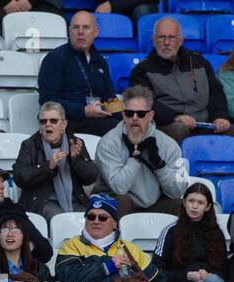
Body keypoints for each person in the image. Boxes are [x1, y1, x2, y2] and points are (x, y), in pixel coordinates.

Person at [54, 193, 165, 282]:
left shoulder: (129, 248)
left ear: (114, 224)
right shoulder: (71, 245)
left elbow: (157, 281)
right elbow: (66, 278)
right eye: (91, 216)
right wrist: (108, 266)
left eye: (102, 218)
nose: (96, 221)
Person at [129, 17, 233, 144]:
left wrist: (220, 117)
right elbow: (144, 103)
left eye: (171, 37)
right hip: (169, 124)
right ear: (153, 40)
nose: (166, 42)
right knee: (180, 128)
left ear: (180, 40)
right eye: (161, 37)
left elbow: (216, 92)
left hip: (205, 123)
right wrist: (175, 116)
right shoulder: (142, 70)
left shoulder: (200, 62)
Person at [94, 87, 186, 217]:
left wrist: (159, 165)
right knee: (121, 201)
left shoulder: (169, 144)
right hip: (119, 204)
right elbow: (119, 189)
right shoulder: (108, 143)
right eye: (130, 113)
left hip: (155, 204)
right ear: (123, 115)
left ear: (150, 115)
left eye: (141, 114)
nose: (135, 118)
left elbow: (178, 190)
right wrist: (135, 158)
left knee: (181, 205)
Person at [36, 14, 119, 138]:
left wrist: (126, 113)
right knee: (115, 128)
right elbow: (48, 101)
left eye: (86, 28)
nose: (80, 32)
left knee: (136, 124)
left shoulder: (100, 60)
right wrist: (83, 111)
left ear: (95, 32)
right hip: (68, 122)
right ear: (69, 31)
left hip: (97, 118)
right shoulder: (55, 58)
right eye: (76, 28)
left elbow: (110, 97)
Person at [14, 104, 100, 222]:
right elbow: (20, 177)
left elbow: (90, 178)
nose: (48, 124)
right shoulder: (29, 145)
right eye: (43, 121)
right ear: (40, 126)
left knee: (94, 219)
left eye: (53, 121)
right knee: (61, 220)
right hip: (43, 203)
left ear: (64, 124)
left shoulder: (75, 143)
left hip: (74, 201)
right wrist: (48, 167)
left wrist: (76, 160)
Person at [154, 183, 229, 282]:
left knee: (212, 280)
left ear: (208, 207)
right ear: (184, 203)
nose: (195, 206)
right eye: (191, 201)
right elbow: (156, 272)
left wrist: (208, 275)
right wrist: (187, 275)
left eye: (200, 203)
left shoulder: (216, 233)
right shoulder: (170, 231)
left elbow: (223, 271)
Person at [0, 216, 56, 282]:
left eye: (16, 230)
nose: (10, 234)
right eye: (5, 229)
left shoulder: (39, 268)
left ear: (24, 237)